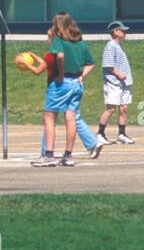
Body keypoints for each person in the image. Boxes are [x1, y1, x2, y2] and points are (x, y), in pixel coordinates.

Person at [34, 12, 105, 167]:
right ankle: (68, 155)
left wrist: (59, 73)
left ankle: (49, 155)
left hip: (62, 82)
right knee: (71, 117)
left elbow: (59, 56)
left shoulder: (58, 40)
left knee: (49, 117)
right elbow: (91, 63)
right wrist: (81, 76)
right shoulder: (80, 42)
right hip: (76, 83)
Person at [98, 21, 135, 145]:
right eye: (122, 30)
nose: (125, 33)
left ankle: (121, 134)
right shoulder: (111, 46)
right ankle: (100, 133)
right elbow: (107, 65)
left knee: (123, 108)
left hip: (124, 83)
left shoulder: (118, 46)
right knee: (111, 108)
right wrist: (118, 74)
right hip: (114, 83)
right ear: (115, 32)